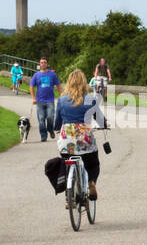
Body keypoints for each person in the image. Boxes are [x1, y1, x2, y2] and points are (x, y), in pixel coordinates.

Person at [54, 69, 107, 203]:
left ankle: (68, 197)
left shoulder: (61, 100)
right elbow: (100, 120)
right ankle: (91, 182)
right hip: (85, 139)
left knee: (66, 164)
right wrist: (104, 124)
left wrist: (57, 128)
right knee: (93, 164)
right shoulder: (90, 100)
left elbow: (57, 122)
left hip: (67, 141)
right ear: (84, 83)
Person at [30, 58, 61, 141]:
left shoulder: (52, 74)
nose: (43, 64)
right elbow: (31, 87)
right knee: (41, 119)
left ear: (47, 64)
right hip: (39, 101)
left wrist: (61, 96)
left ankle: (50, 129)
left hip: (50, 100)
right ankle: (43, 136)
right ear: (39, 64)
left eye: (44, 62)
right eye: (41, 62)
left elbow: (58, 85)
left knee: (50, 117)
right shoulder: (36, 75)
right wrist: (33, 98)